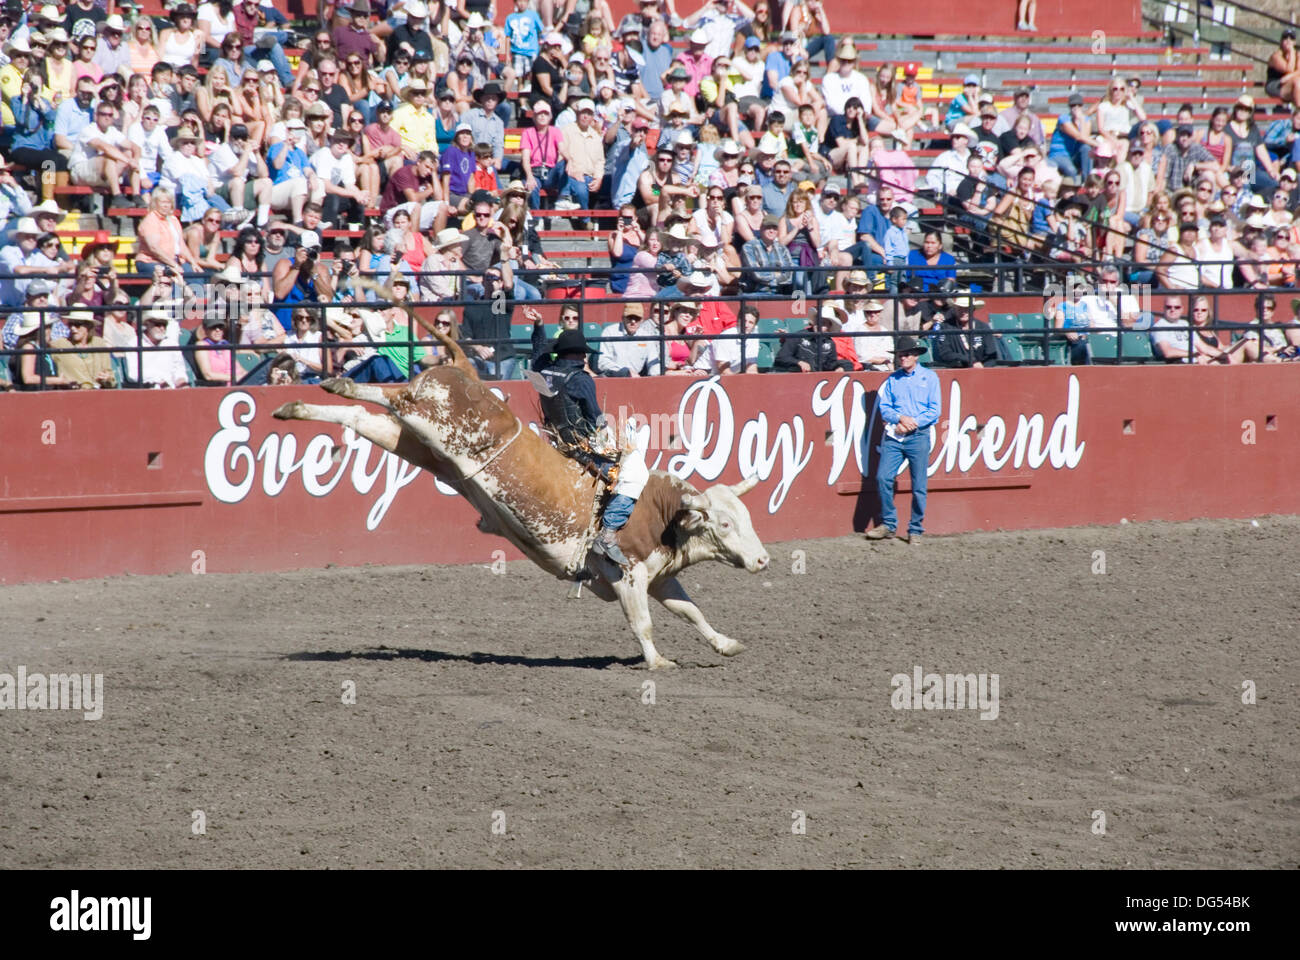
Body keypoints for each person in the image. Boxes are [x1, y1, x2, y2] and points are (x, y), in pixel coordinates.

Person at [528, 323, 649, 569]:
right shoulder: (581, 380)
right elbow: (595, 418)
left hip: (558, 444)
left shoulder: (544, 373)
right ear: (575, 354)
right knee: (636, 474)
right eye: (582, 353)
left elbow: (537, 355)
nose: (585, 358)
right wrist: (611, 440)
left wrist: (539, 326)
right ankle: (607, 534)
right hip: (583, 450)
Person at [865, 336, 940, 544]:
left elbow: (934, 410)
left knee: (918, 485)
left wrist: (911, 422)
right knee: (883, 478)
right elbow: (885, 408)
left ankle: (915, 528)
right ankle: (889, 524)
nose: (903, 357)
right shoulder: (892, 380)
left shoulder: (930, 378)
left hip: (917, 435)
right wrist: (899, 419)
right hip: (896, 435)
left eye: (906, 354)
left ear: (915, 356)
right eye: (900, 354)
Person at [933, 297, 998, 368]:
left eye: (967, 309)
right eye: (960, 308)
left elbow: (991, 355)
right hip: (957, 370)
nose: (963, 312)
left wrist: (983, 369)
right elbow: (945, 353)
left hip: (982, 370)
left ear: (973, 309)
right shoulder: (946, 327)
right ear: (955, 309)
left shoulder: (983, 327)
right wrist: (970, 360)